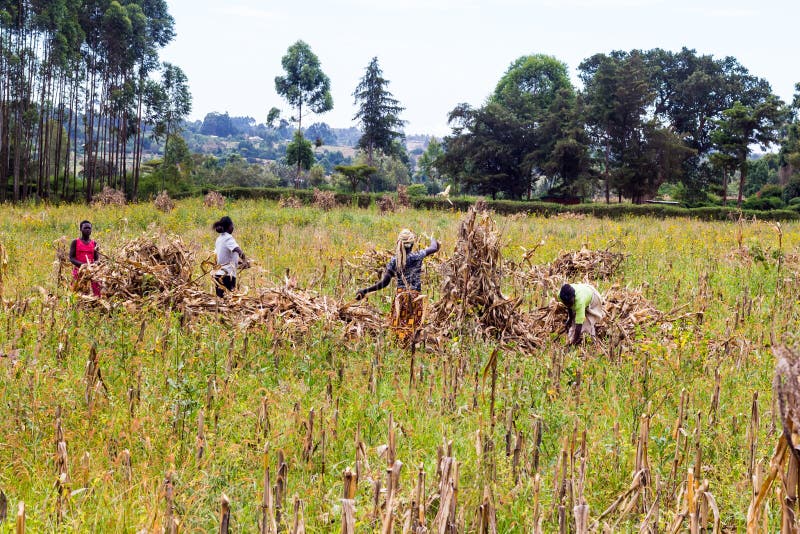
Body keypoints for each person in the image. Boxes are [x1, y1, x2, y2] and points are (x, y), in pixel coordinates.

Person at [356, 229, 440, 343]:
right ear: (412, 244)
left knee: (399, 330)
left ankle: (399, 350)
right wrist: (432, 239)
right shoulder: (418, 256)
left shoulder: (394, 261)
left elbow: (384, 283)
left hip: (400, 299)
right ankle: (412, 351)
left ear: (399, 243)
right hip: (416, 298)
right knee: (414, 328)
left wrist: (365, 291)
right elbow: (434, 247)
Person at [212, 216, 249, 297]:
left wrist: (239, 263)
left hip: (218, 275)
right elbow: (238, 250)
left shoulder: (219, 239)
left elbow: (222, 256)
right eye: (232, 225)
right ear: (229, 226)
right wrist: (246, 261)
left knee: (221, 303)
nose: (233, 227)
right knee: (230, 302)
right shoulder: (228, 238)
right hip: (228, 276)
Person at [69, 220, 102, 297]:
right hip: (78, 271)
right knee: (76, 292)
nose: (87, 230)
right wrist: (83, 265)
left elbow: (97, 259)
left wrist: (94, 264)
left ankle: (96, 304)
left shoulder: (94, 243)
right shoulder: (75, 242)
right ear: (80, 229)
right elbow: (71, 258)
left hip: (91, 271)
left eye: (89, 228)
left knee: (96, 291)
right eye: (85, 228)